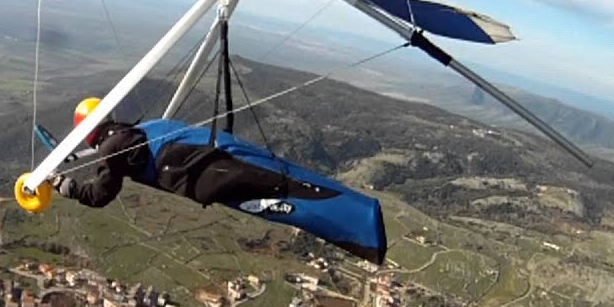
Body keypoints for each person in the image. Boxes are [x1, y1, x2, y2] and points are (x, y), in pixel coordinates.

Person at [47, 97, 388, 264]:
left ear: (88, 134)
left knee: (281, 190)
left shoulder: (112, 148)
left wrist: (68, 188)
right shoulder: (138, 128)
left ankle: (362, 230)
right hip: (216, 154)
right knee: (283, 176)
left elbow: (100, 195)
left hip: (209, 175)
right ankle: (360, 213)